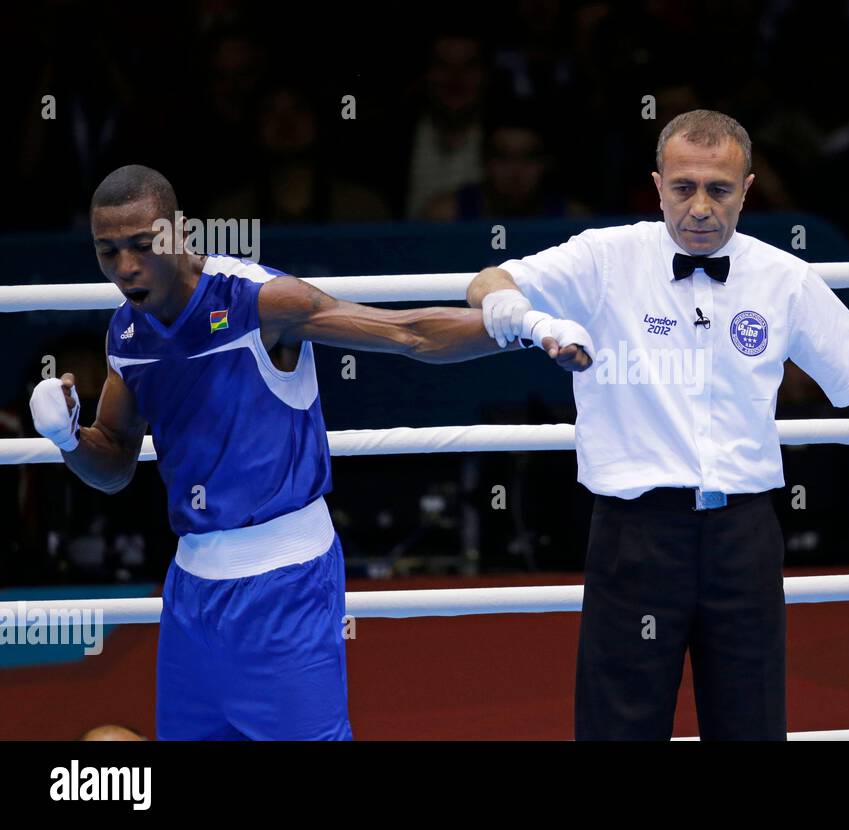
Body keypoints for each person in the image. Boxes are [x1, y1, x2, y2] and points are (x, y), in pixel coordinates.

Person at [467, 110, 849, 740]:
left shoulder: (782, 278)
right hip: (634, 534)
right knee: (617, 726)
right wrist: (526, 317)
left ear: (747, 189)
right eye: (683, 188)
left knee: (751, 725)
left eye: (719, 189)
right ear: (657, 184)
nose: (700, 207)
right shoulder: (604, 259)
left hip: (743, 537)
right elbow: (490, 281)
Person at [28, 164, 592, 740]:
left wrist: (524, 327)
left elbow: (407, 333)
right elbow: (115, 464)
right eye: (108, 252)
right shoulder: (127, 335)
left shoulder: (260, 302)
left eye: (141, 246)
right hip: (191, 587)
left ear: (180, 233)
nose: (125, 268)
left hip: (285, 580)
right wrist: (69, 438)